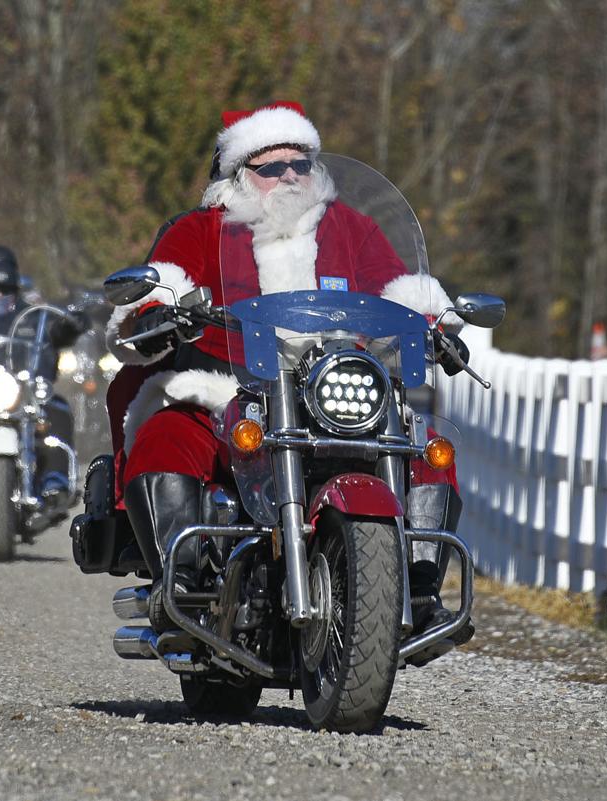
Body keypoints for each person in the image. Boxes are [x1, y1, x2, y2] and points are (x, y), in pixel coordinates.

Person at [103, 101, 471, 656]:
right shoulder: (201, 230)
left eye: (301, 163)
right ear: (237, 175)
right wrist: (156, 307)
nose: (291, 177)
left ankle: (418, 590)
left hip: (335, 392)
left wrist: (435, 320)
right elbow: (166, 279)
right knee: (165, 437)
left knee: (425, 448)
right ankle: (179, 585)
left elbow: (399, 284)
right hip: (227, 389)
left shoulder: (352, 228)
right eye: (271, 167)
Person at [0, 245, 87, 496]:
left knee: (58, 411)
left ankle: (54, 480)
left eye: (6, 290)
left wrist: (72, 325)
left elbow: (57, 333)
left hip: (23, 394)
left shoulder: (34, 315)